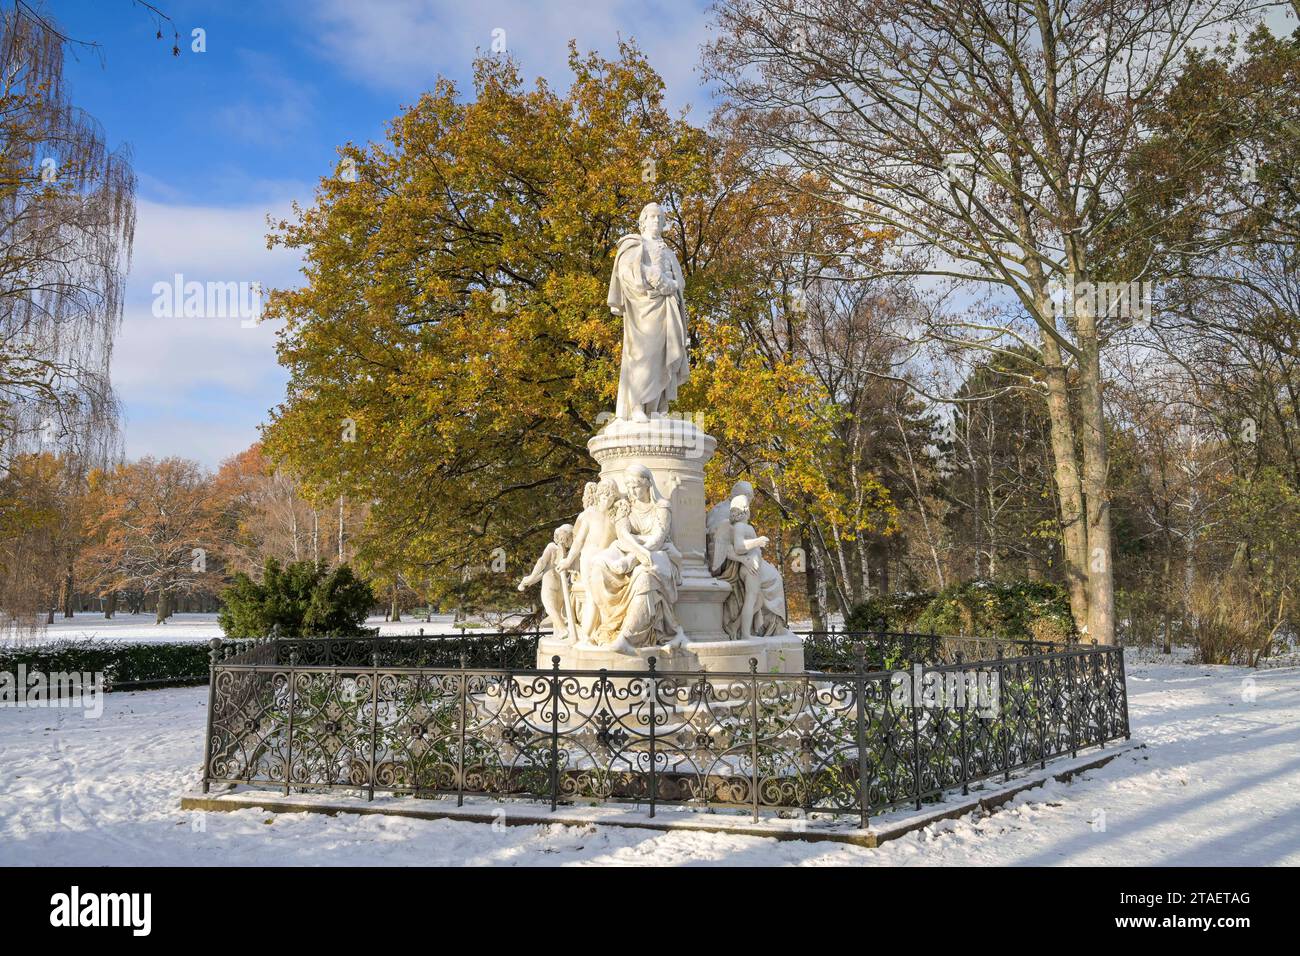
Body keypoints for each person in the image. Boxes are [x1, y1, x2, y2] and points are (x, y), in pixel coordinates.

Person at [607, 202, 689, 422]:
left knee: (664, 356)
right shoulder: (634, 245)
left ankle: (655, 408)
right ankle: (636, 406)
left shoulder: (669, 253)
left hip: (667, 309)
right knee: (643, 355)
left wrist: (670, 284)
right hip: (643, 309)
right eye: (651, 217)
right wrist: (658, 278)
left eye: (659, 218)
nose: (655, 221)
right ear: (642, 222)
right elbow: (627, 273)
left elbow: (680, 282)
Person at [518, 524, 574, 638]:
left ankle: (563, 630)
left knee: (550, 608)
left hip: (550, 581)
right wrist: (529, 581)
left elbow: (542, 563)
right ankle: (557, 634)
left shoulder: (552, 547)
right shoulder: (570, 555)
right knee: (557, 611)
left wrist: (531, 577)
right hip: (562, 586)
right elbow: (544, 573)